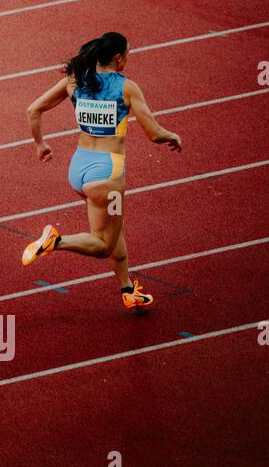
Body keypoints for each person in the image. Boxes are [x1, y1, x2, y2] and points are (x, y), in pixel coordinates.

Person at [21, 31, 183, 310]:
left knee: (112, 229)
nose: (129, 58)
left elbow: (33, 110)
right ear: (118, 57)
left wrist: (40, 145)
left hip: (79, 168)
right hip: (107, 173)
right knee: (103, 244)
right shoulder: (126, 88)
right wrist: (172, 136)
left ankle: (128, 289)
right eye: (128, 53)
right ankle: (55, 241)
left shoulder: (75, 81)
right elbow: (153, 133)